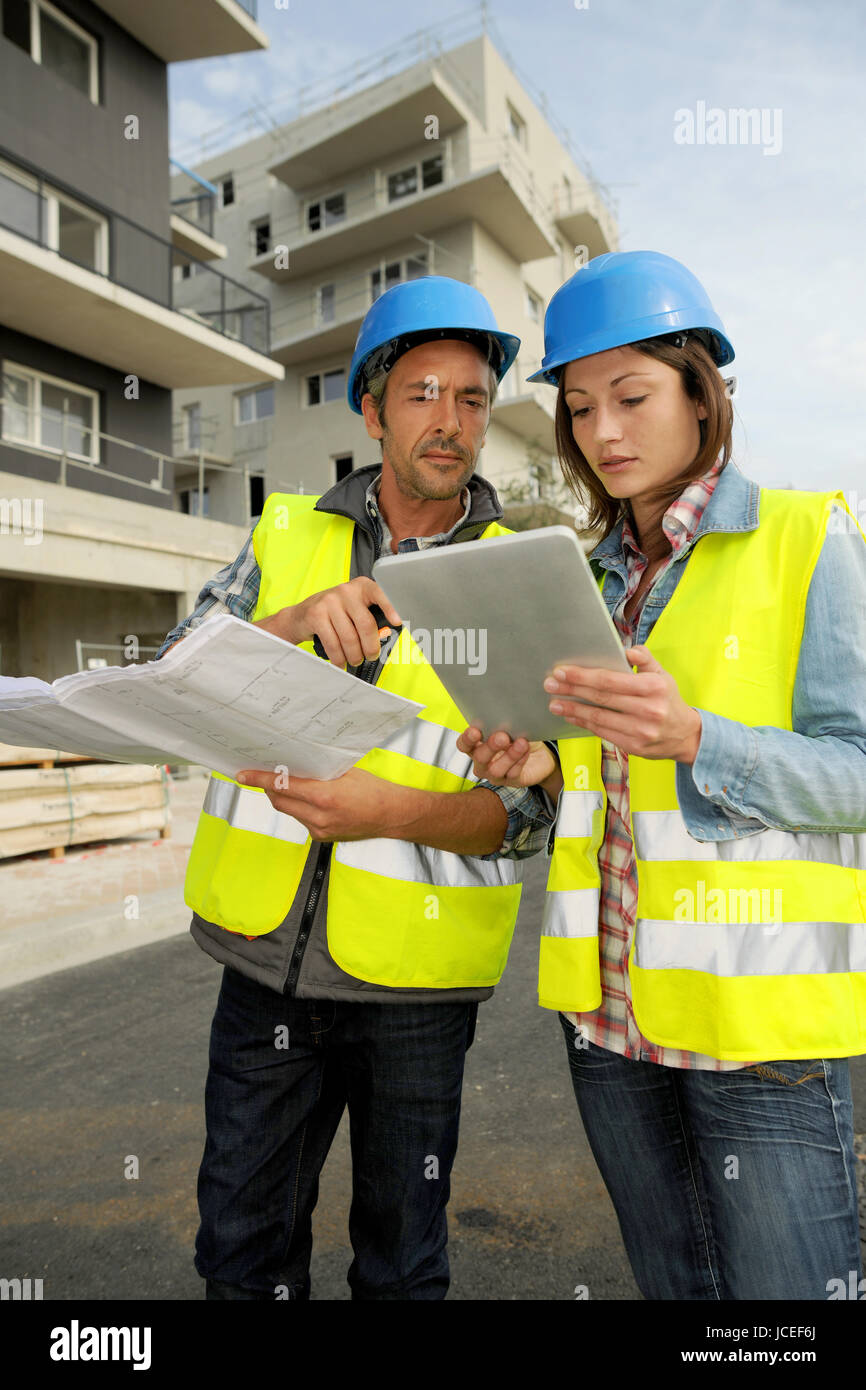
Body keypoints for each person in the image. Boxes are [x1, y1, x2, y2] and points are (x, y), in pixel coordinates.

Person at [458, 249, 866, 1300]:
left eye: (631, 397)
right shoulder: (581, 576)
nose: (601, 432)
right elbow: (604, 793)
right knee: (674, 1293)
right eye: (580, 406)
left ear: (701, 393)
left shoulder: (803, 539)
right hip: (607, 1021)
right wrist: (541, 766)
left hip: (755, 1033)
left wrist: (700, 740)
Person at [155, 276, 555, 1300]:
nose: (449, 420)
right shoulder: (287, 536)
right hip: (263, 969)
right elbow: (166, 680)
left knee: (402, 1264)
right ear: (371, 410)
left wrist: (391, 814)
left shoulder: (520, 576)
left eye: (470, 398)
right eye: (421, 392)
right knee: (242, 1250)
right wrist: (282, 625)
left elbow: (532, 813)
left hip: (416, 992)